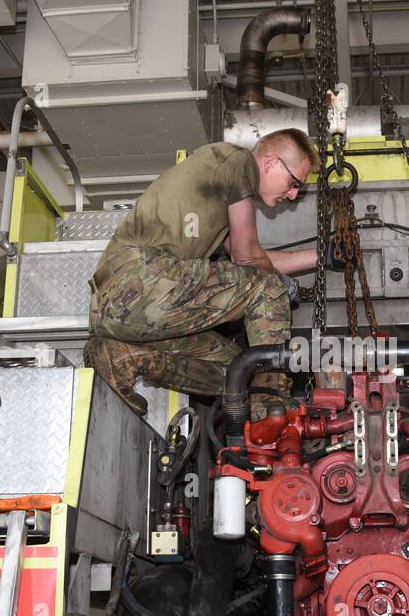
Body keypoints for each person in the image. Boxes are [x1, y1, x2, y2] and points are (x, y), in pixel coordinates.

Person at [84, 129, 320, 414]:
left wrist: (321, 257)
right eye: (294, 182)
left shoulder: (216, 199)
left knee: (239, 372)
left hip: (123, 308)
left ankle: (123, 357)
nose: (293, 194)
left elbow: (250, 258)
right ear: (270, 161)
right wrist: (277, 285)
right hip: (141, 281)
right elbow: (247, 257)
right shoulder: (237, 161)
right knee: (268, 286)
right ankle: (271, 409)